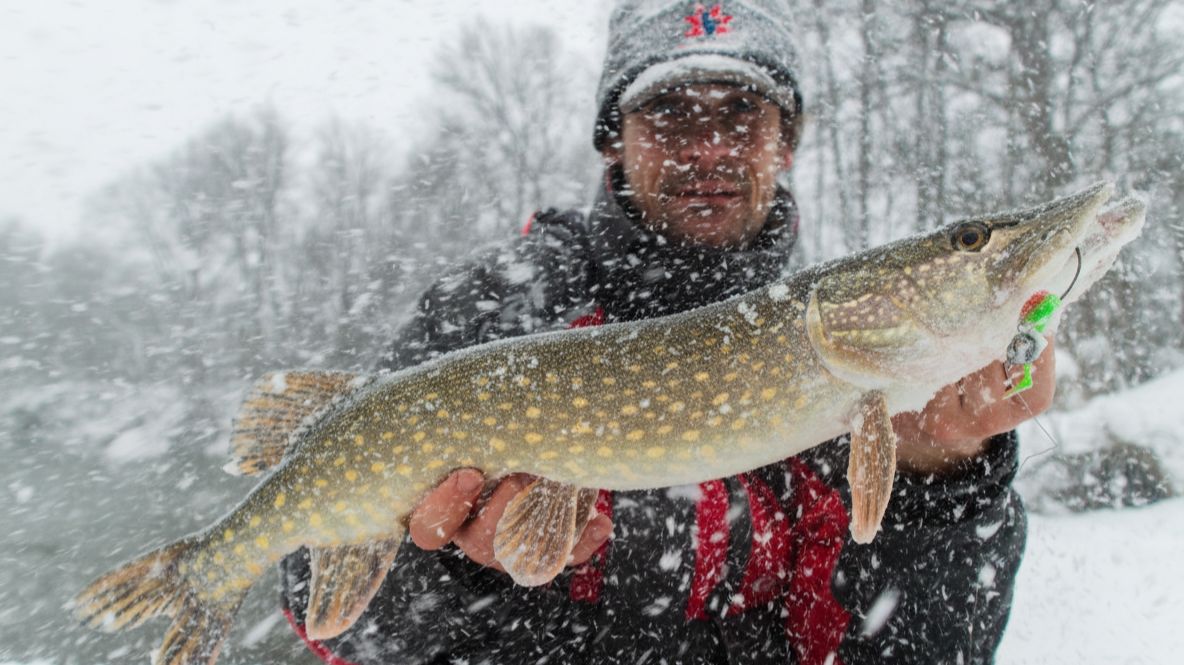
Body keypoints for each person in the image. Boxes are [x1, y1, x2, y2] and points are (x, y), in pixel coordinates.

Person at [281, 1, 1052, 663]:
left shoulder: (850, 338)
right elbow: (321, 591)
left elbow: (910, 649)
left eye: (740, 114)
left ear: (786, 142)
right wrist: (463, 569)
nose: (708, 148)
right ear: (613, 137)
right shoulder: (499, 307)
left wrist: (939, 482)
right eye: (671, 113)